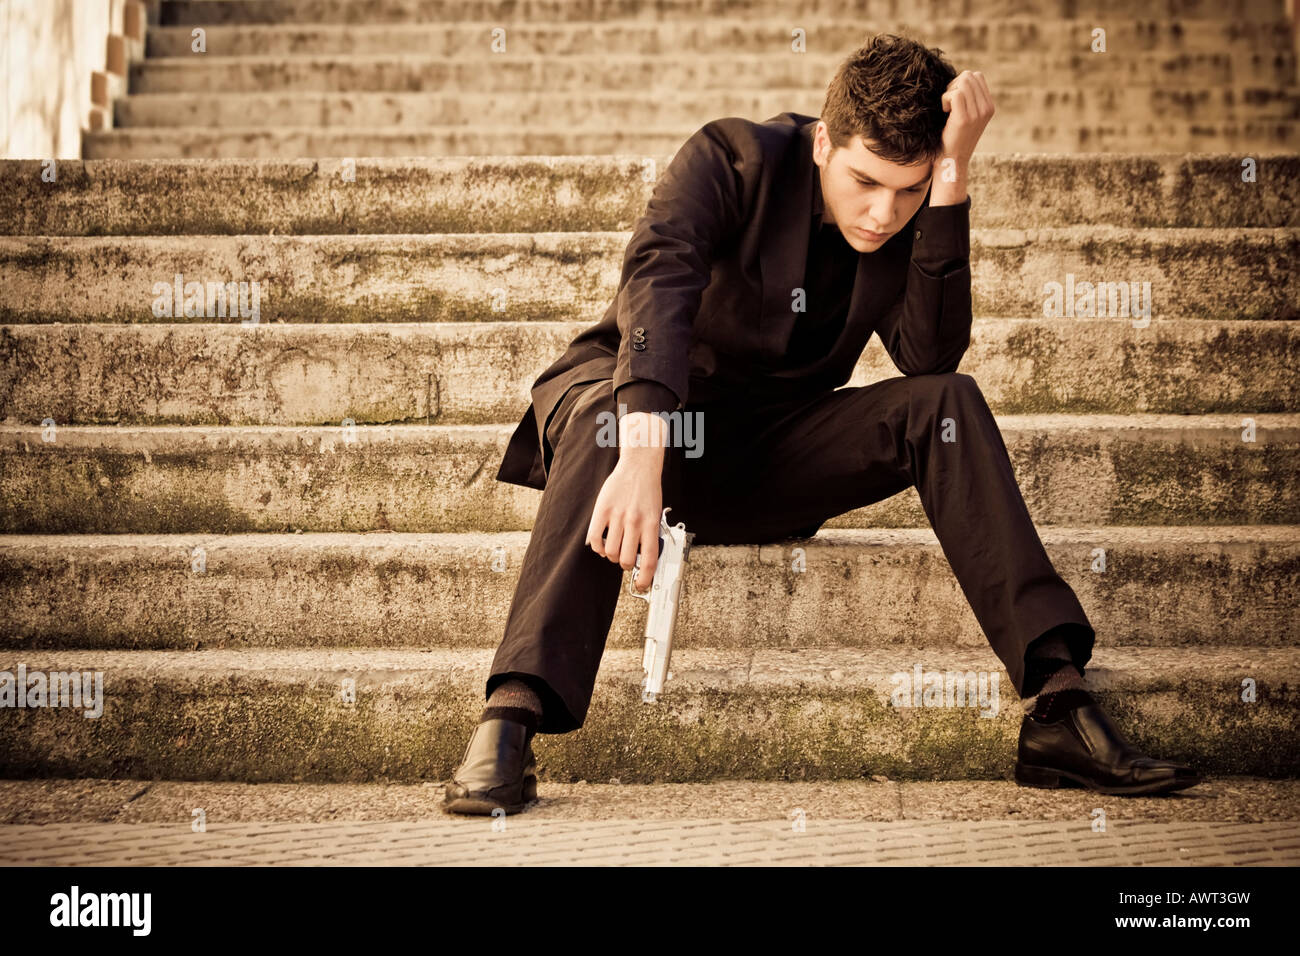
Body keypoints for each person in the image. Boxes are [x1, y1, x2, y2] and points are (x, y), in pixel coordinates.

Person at [443, 34, 1201, 815]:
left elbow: (928, 354)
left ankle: (1058, 705)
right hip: (629, 423)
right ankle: (511, 715)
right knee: (608, 418)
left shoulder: (911, 205)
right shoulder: (731, 157)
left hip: (766, 456)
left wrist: (951, 179)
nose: (882, 213)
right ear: (823, 142)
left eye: (905, 191)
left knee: (949, 402)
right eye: (865, 181)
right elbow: (658, 282)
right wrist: (642, 456)